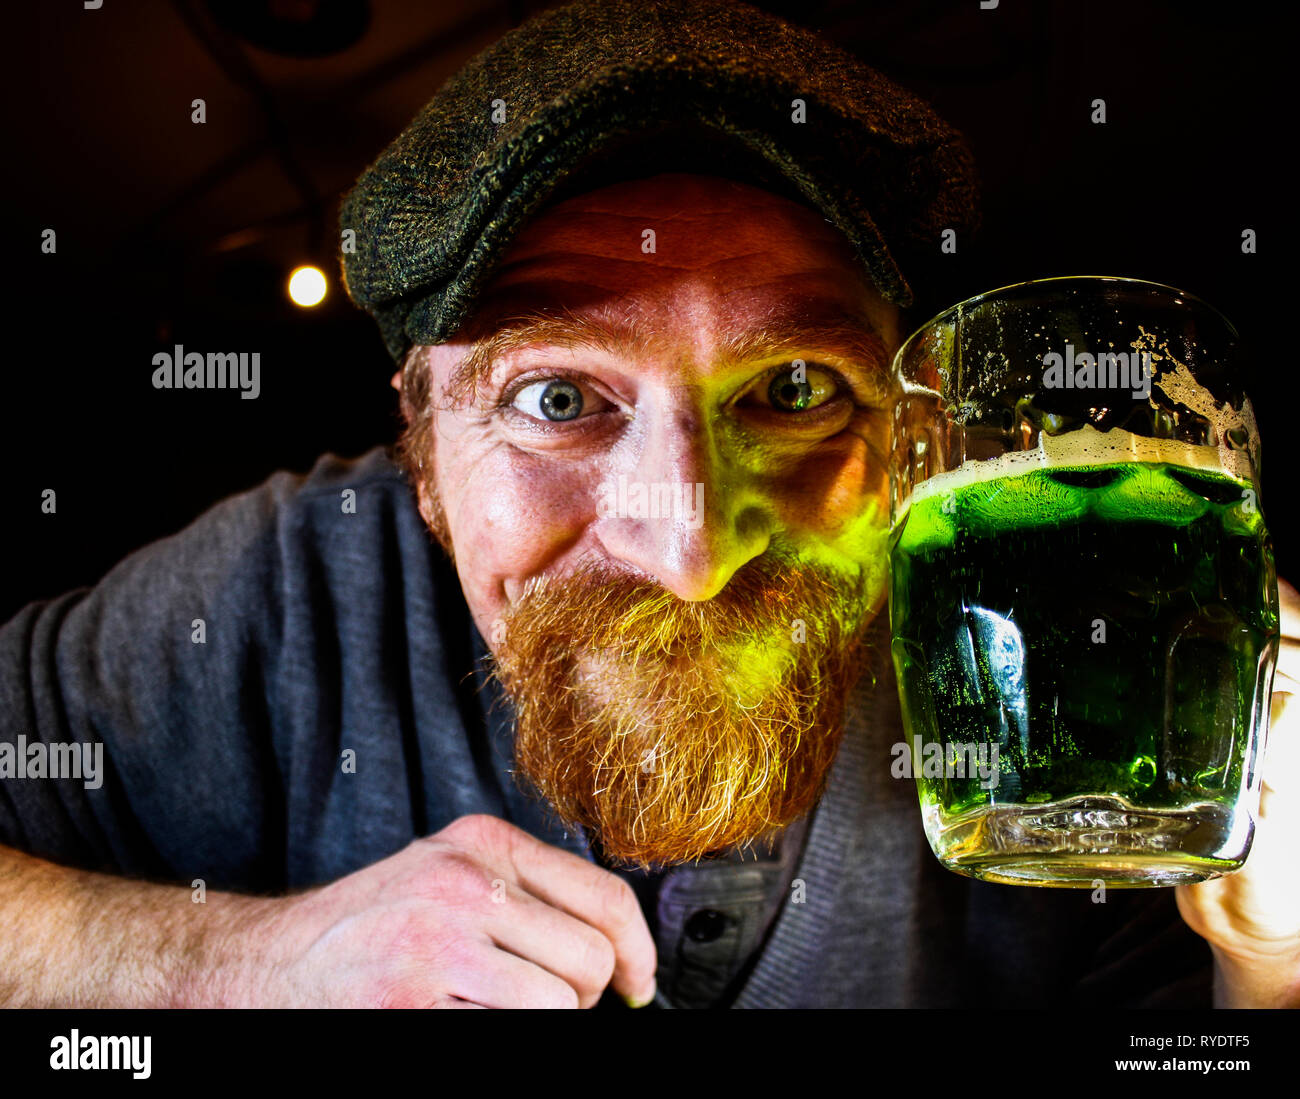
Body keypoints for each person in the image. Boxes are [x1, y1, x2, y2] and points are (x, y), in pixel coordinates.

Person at [2, 0, 1296, 1009]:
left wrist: (1271, 956)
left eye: (794, 388)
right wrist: (236, 970)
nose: (691, 550)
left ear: (909, 441)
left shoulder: (1040, 662)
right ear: (423, 453)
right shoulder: (281, 594)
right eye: (559, 400)